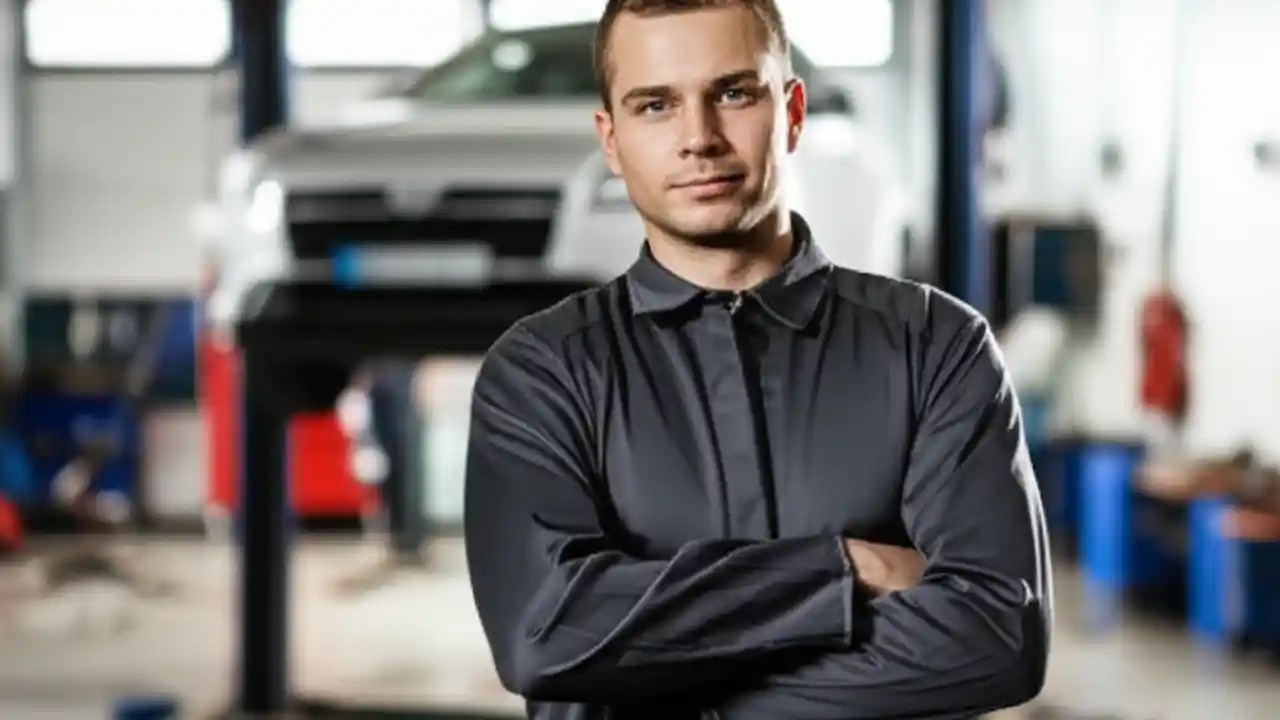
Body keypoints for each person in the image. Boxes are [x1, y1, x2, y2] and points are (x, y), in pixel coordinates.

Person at [463, 1, 1052, 717]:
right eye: (656, 105)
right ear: (611, 140)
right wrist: (843, 567)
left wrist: (662, 678)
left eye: (733, 93)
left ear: (793, 111)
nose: (699, 138)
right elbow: (542, 636)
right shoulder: (542, 372)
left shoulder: (935, 345)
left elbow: (996, 636)